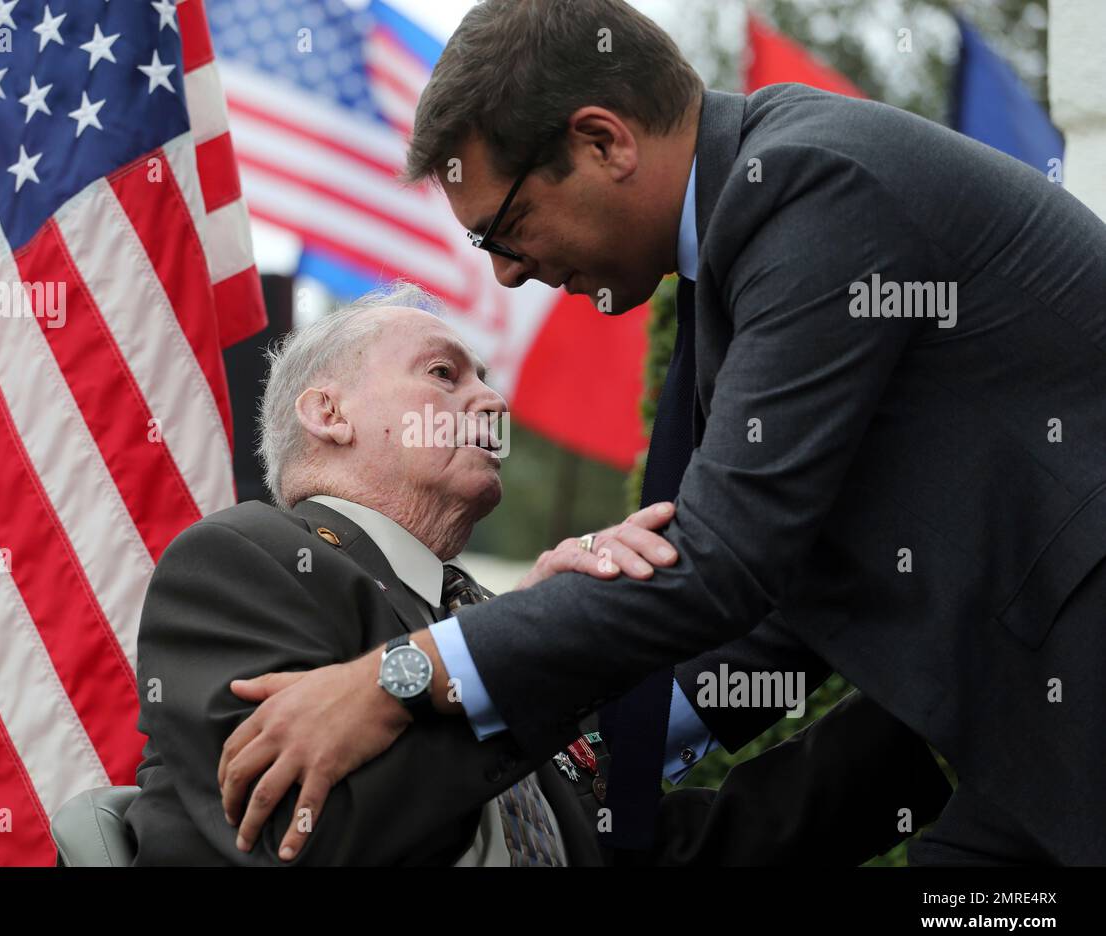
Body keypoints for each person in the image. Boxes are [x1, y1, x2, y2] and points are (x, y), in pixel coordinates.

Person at [218, 0, 1106, 866]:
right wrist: (592, 743)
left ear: (603, 141)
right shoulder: (754, 225)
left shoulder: (813, 190)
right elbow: (786, 599)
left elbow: (730, 561)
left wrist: (392, 682)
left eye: (508, 228)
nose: (508, 273)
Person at [127, 285, 949, 865]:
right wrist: (547, 650)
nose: (493, 404)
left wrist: (949, 716)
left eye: (486, 379)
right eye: (445, 374)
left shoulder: (480, 616)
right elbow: (300, 844)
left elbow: (647, 848)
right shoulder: (239, 559)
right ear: (328, 413)